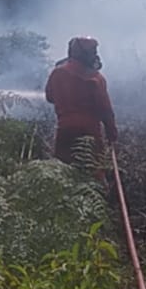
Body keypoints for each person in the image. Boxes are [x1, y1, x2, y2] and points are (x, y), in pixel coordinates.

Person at [45, 36, 118, 186]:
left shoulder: (57, 73)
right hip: (90, 133)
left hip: (64, 130)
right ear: (88, 54)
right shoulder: (97, 79)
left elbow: (50, 97)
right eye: (94, 51)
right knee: (94, 174)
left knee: (62, 172)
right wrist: (112, 134)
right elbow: (106, 110)